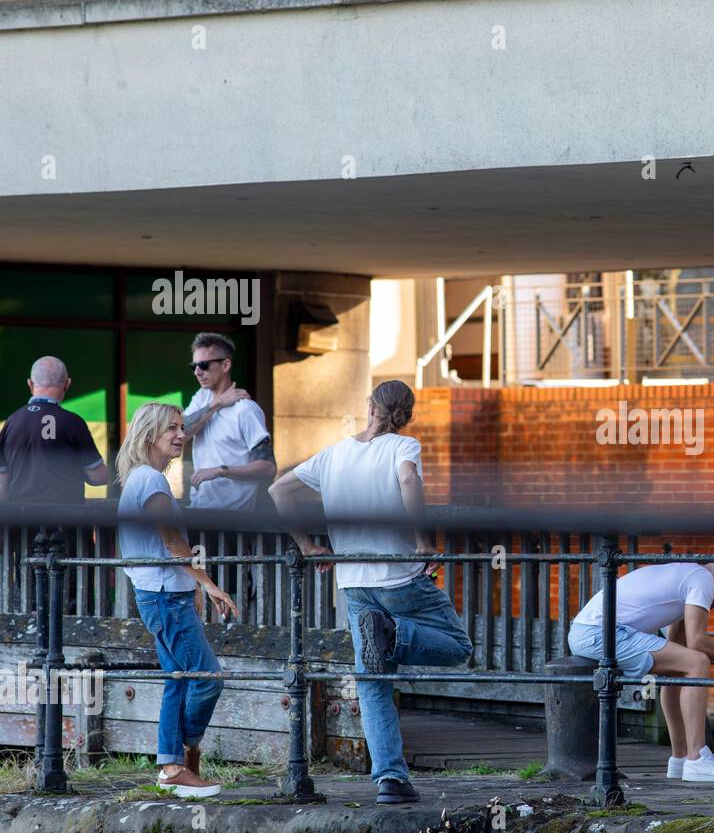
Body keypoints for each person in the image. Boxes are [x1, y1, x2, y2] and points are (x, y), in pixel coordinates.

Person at [268, 380, 471, 806]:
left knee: (373, 682)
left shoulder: (335, 454)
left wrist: (308, 546)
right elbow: (409, 480)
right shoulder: (403, 445)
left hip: (352, 581)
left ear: (369, 406)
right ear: (407, 414)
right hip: (399, 575)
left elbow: (278, 489)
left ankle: (390, 780)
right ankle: (393, 633)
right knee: (457, 646)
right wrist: (423, 540)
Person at [117, 402, 238, 798]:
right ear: (150, 433)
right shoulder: (149, 481)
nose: (180, 435)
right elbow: (171, 543)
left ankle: (174, 765)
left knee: (179, 680)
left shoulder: (143, 479)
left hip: (166, 594)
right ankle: (177, 759)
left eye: (182, 427)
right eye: (172, 428)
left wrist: (193, 588)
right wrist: (209, 585)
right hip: (164, 597)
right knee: (206, 678)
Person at [567, 561, 714, 782]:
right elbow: (698, 642)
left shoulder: (686, 579)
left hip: (590, 632)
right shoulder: (702, 579)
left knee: (680, 669)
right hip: (599, 633)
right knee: (697, 662)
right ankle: (697, 758)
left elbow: (680, 647)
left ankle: (680, 760)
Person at [181, 332, 276, 511]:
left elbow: (268, 467)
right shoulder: (202, 398)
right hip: (198, 510)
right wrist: (216, 404)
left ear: (225, 365)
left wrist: (221, 470)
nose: (197, 372)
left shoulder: (246, 410)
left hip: (233, 520)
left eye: (203, 365)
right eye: (193, 366)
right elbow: (181, 433)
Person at [0, 356, 109, 505]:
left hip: (21, 523)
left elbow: (2, 486)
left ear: (30, 384)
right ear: (67, 384)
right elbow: (99, 477)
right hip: (65, 523)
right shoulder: (73, 422)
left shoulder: (11, 423)